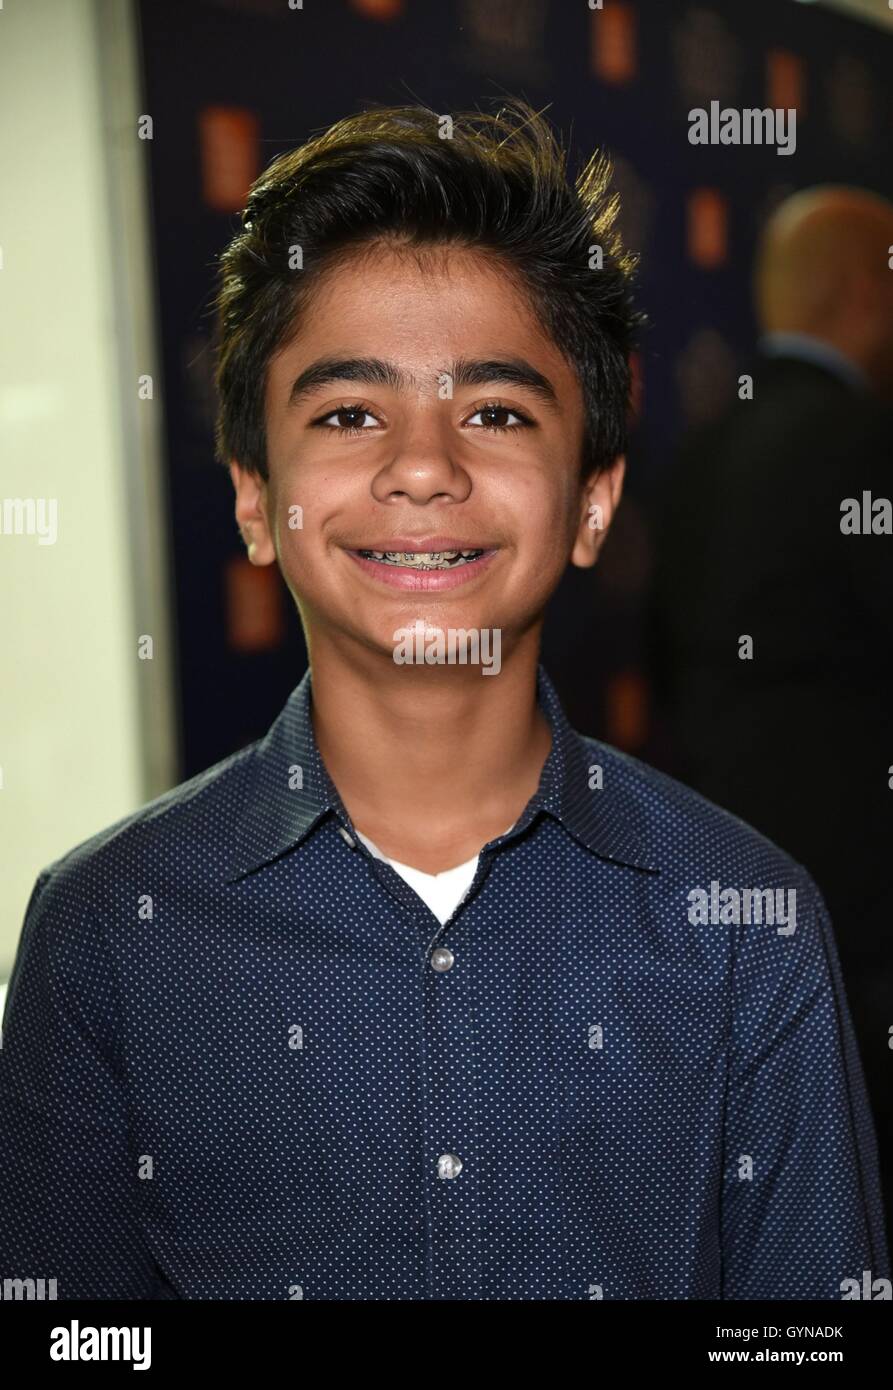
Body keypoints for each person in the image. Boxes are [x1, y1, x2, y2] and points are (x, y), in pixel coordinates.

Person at [0, 107, 887, 1300]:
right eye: (348, 413)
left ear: (590, 500)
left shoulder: (745, 924)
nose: (423, 465)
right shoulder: (107, 927)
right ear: (255, 499)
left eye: (496, 412)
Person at [650, 186, 893, 1249]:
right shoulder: (866, 442)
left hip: (707, 862)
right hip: (861, 886)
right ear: (859, 291)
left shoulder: (697, 447)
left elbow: (660, 655)